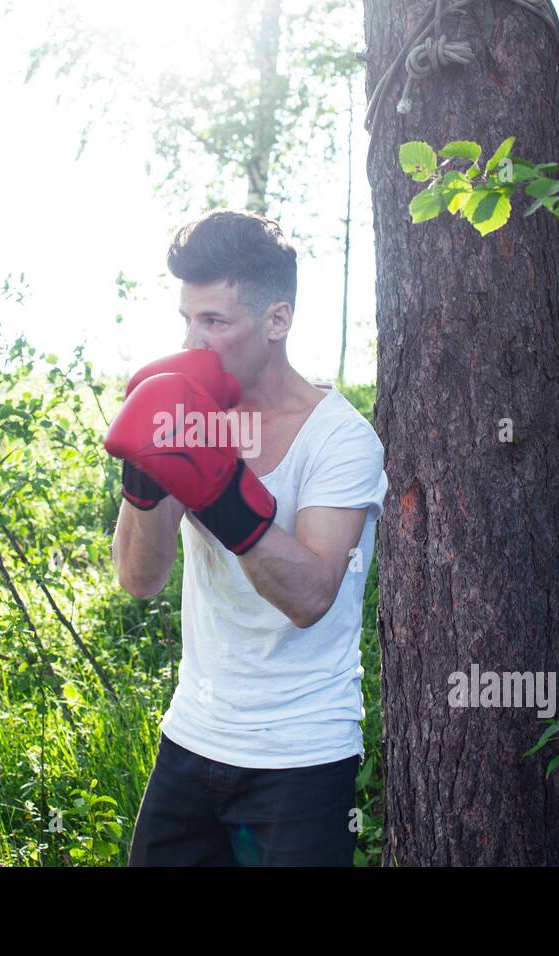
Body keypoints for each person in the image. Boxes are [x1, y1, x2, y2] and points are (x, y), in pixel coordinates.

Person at [106, 209, 388, 866]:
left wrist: (220, 489)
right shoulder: (188, 409)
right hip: (193, 736)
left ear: (277, 320)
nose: (195, 342)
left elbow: (313, 592)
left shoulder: (341, 440)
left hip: (303, 757)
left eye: (215, 322)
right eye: (187, 320)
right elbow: (138, 580)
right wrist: (145, 479)